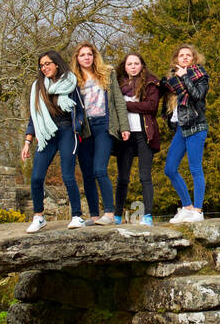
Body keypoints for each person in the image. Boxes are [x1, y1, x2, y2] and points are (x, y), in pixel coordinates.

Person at [21, 50, 86, 232]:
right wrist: (27, 141)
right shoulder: (38, 87)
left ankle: (77, 216)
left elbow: (80, 110)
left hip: (67, 130)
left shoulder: (70, 82)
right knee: (36, 177)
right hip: (46, 134)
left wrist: (77, 126)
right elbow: (34, 116)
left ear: (57, 64)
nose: (45, 68)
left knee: (67, 175)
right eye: (42, 65)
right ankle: (39, 217)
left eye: (48, 63)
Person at [72, 41, 130, 225]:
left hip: (104, 125)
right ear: (77, 58)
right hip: (84, 128)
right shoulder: (72, 79)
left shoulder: (107, 73)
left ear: (94, 56)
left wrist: (124, 126)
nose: (86, 58)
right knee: (87, 173)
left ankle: (110, 214)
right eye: (82, 55)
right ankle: (95, 216)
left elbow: (119, 102)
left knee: (99, 169)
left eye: (89, 54)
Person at [161, 44, 209, 223]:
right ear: (176, 59)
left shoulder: (200, 76)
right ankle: (187, 207)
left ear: (194, 58)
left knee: (195, 168)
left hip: (196, 126)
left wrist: (184, 77)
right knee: (170, 169)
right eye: (181, 55)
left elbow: (197, 95)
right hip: (181, 128)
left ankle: (198, 210)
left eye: (188, 55)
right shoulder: (171, 80)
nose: (185, 57)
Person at [114, 51, 161, 225]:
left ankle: (148, 215)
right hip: (124, 135)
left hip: (145, 134)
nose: (133, 67)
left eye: (136, 63)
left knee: (145, 176)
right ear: (124, 67)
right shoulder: (118, 85)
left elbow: (151, 106)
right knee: (123, 178)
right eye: (129, 64)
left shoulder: (151, 82)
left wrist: (125, 105)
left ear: (142, 65)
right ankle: (117, 215)